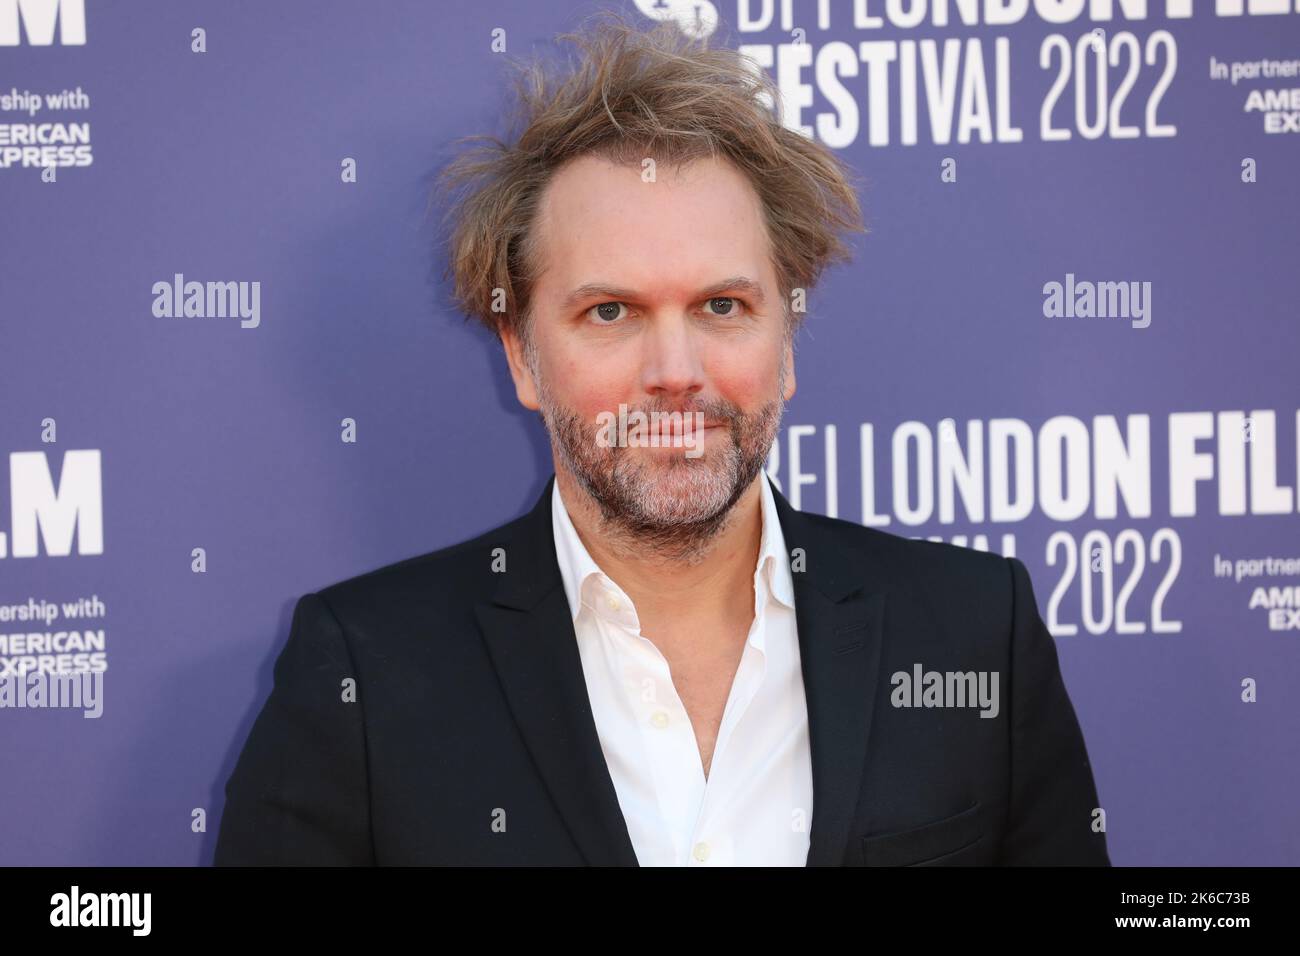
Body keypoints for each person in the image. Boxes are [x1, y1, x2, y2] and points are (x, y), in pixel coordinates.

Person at [214, 14, 1109, 866]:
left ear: (786, 338)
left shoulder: (971, 635)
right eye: (611, 311)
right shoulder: (363, 677)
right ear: (522, 357)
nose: (675, 370)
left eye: (723, 306)